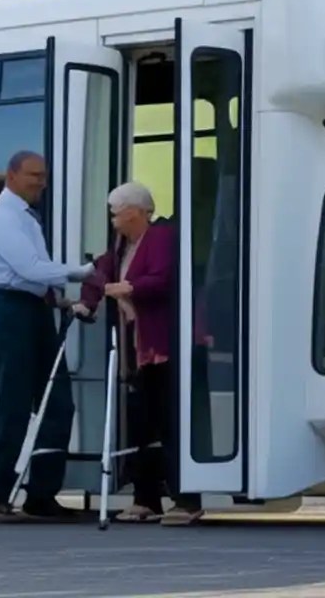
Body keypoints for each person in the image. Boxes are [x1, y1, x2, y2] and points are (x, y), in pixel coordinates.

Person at [77, 181, 204, 526]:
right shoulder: (121, 245)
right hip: (137, 350)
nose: (112, 217)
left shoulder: (161, 237)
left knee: (170, 424)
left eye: (116, 211)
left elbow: (164, 279)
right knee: (142, 426)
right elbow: (100, 273)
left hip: (164, 346)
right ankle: (146, 499)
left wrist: (130, 288)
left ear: (135, 212)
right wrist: (87, 304)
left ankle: (186, 498)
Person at [0, 150, 93, 523]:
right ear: (11, 175)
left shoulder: (25, 216)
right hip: (9, 312)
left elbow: (31, 276)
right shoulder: (2, 218)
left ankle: (41, 495)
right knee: (13, 405)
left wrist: (58, 301)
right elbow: (28, 267)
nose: (40, 182)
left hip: (33, 308)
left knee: (57, 404)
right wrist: (84, 272)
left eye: (43, 176)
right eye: (33, 175)